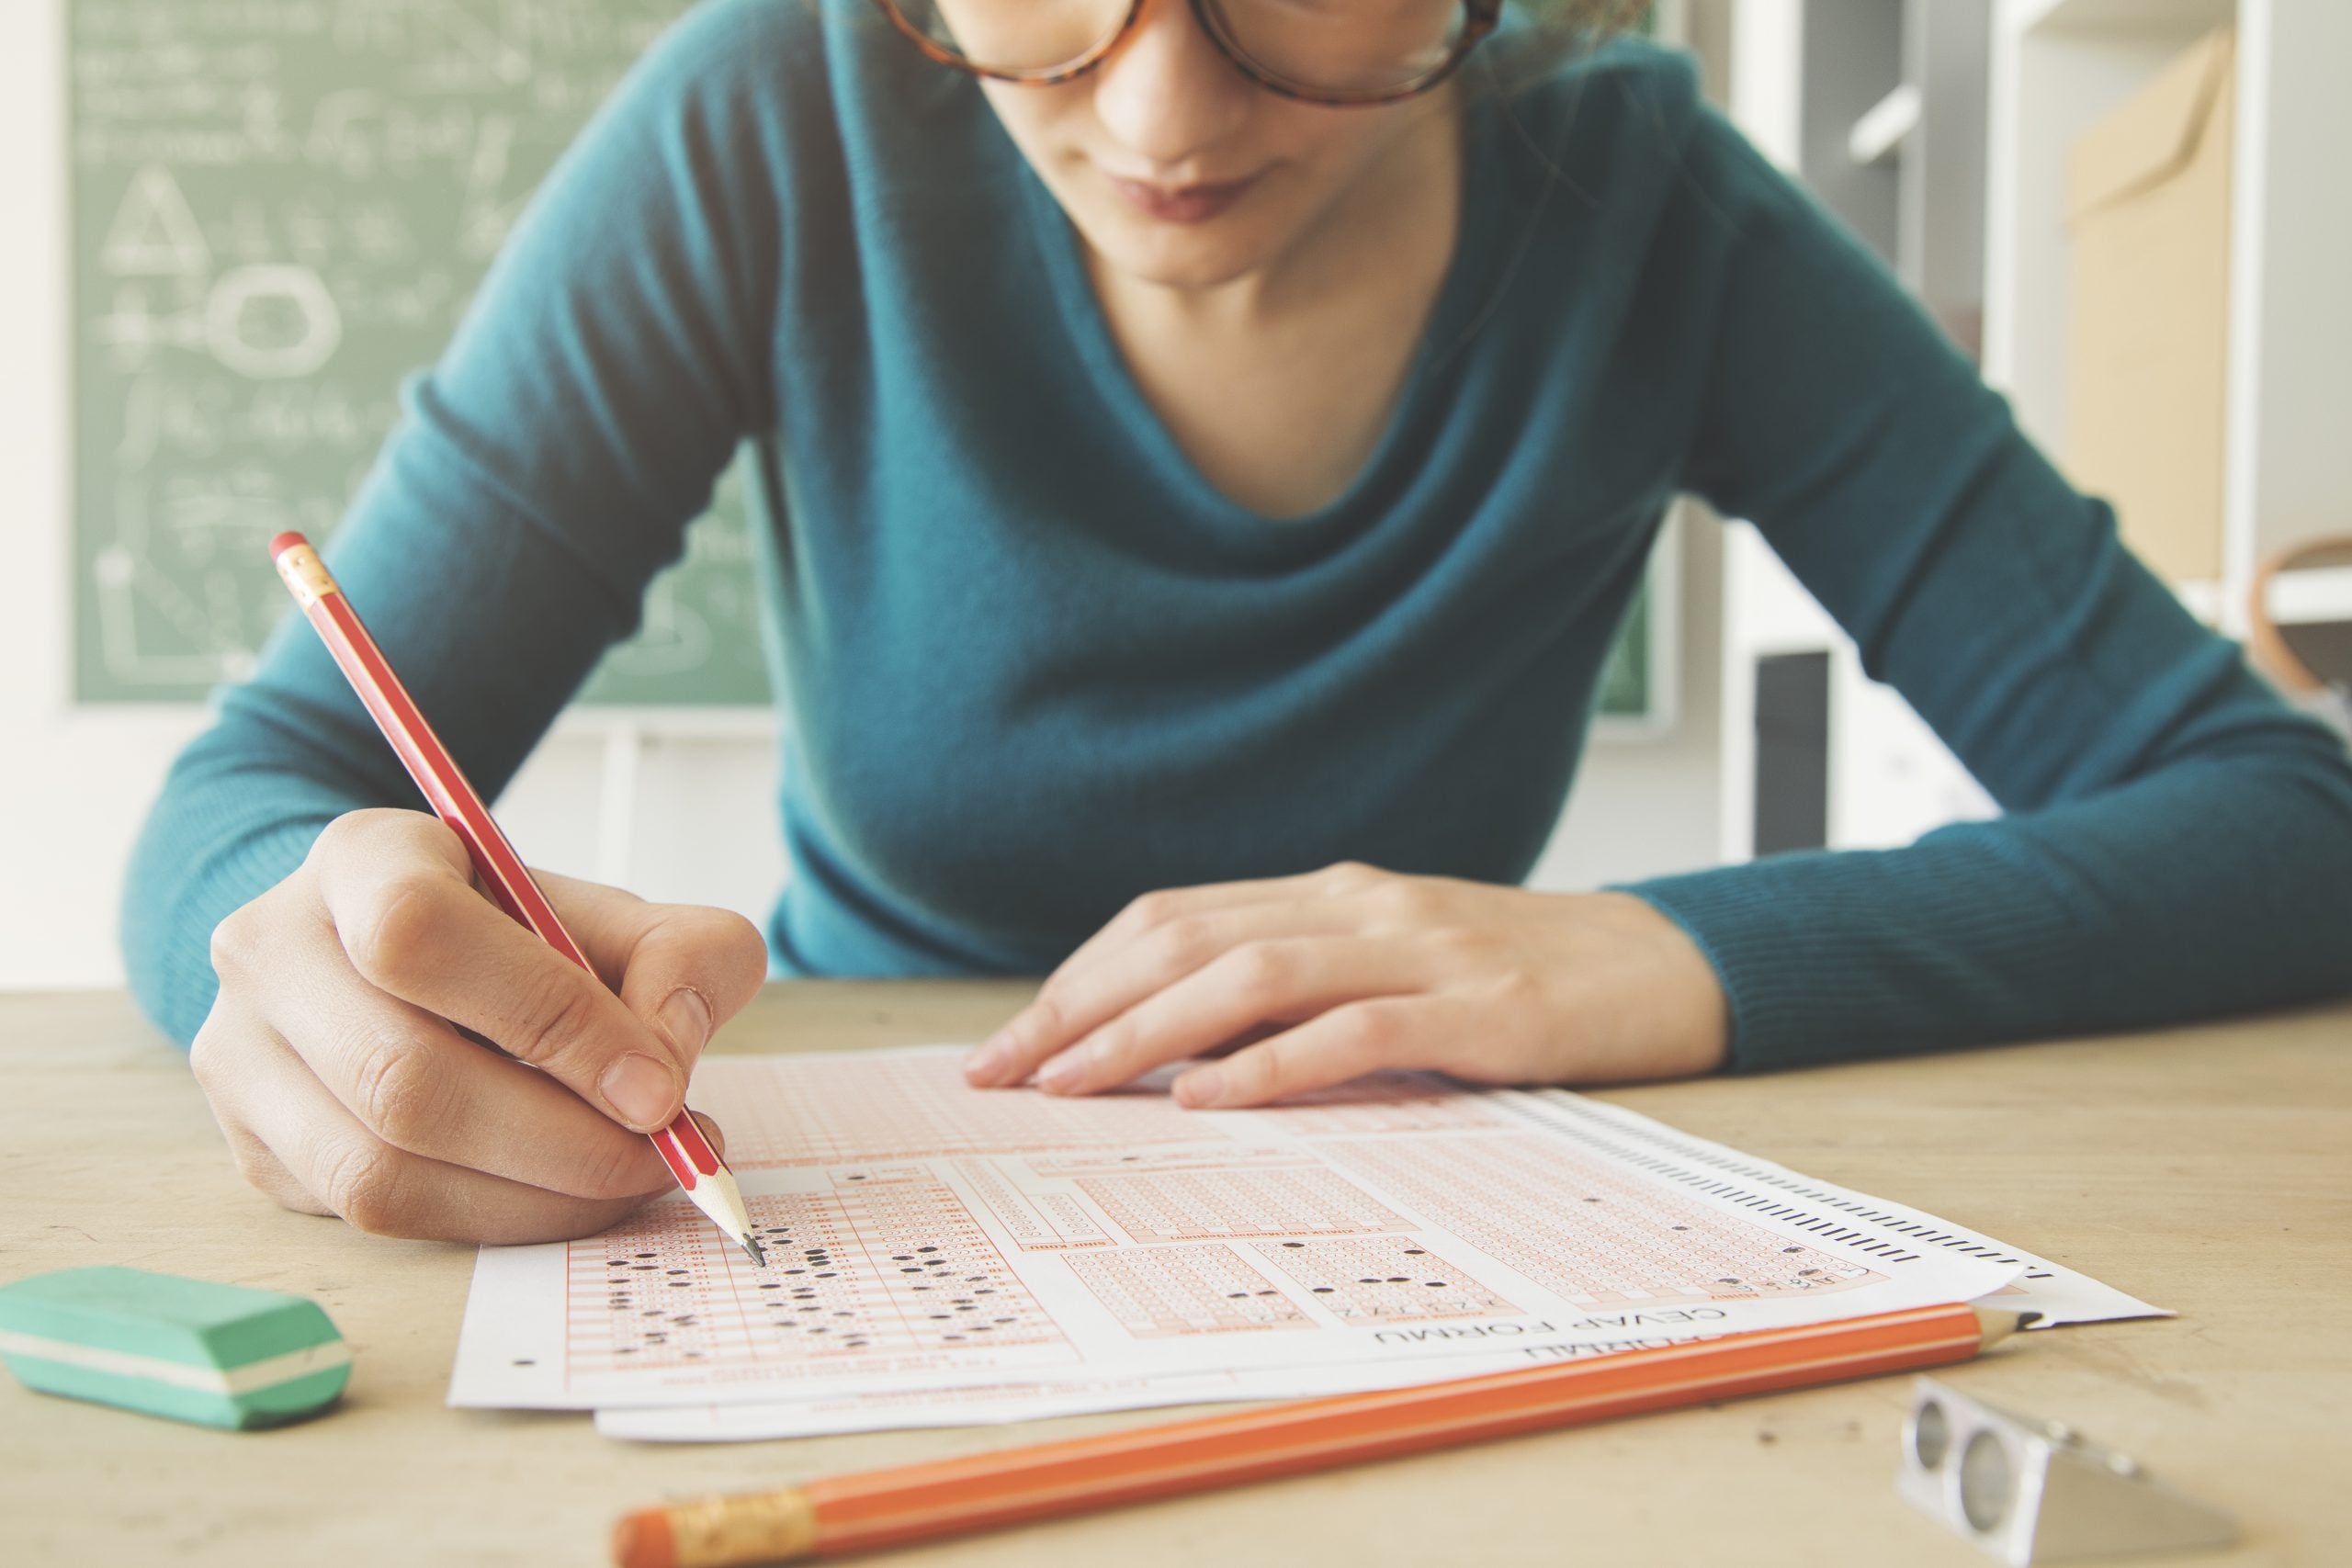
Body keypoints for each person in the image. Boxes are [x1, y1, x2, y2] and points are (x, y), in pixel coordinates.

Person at [123, 0, 2352, 1245]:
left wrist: (1644, 948)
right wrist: (311, 943)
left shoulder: (1643, 197)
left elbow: (2283, 815)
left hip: (1439, 1223)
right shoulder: (772, 117)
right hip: (848, 1196)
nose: (1163, 111)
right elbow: (255, 792)